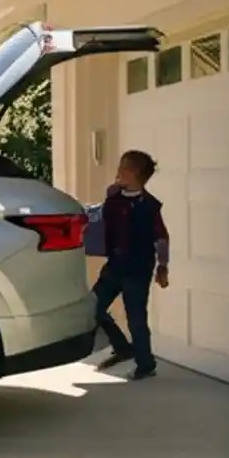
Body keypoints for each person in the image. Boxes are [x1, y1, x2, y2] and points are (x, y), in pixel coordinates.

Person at [93, 150, 169, 380]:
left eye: (122, 168)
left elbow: (161, 238)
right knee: (92, 307)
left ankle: (145, 364)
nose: (117, 172)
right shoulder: (114, 197)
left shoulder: (149, 206)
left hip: (138, 270)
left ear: (134, 173)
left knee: (136, 317)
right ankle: (122, 347)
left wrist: (162, 267)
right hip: (115, 265)